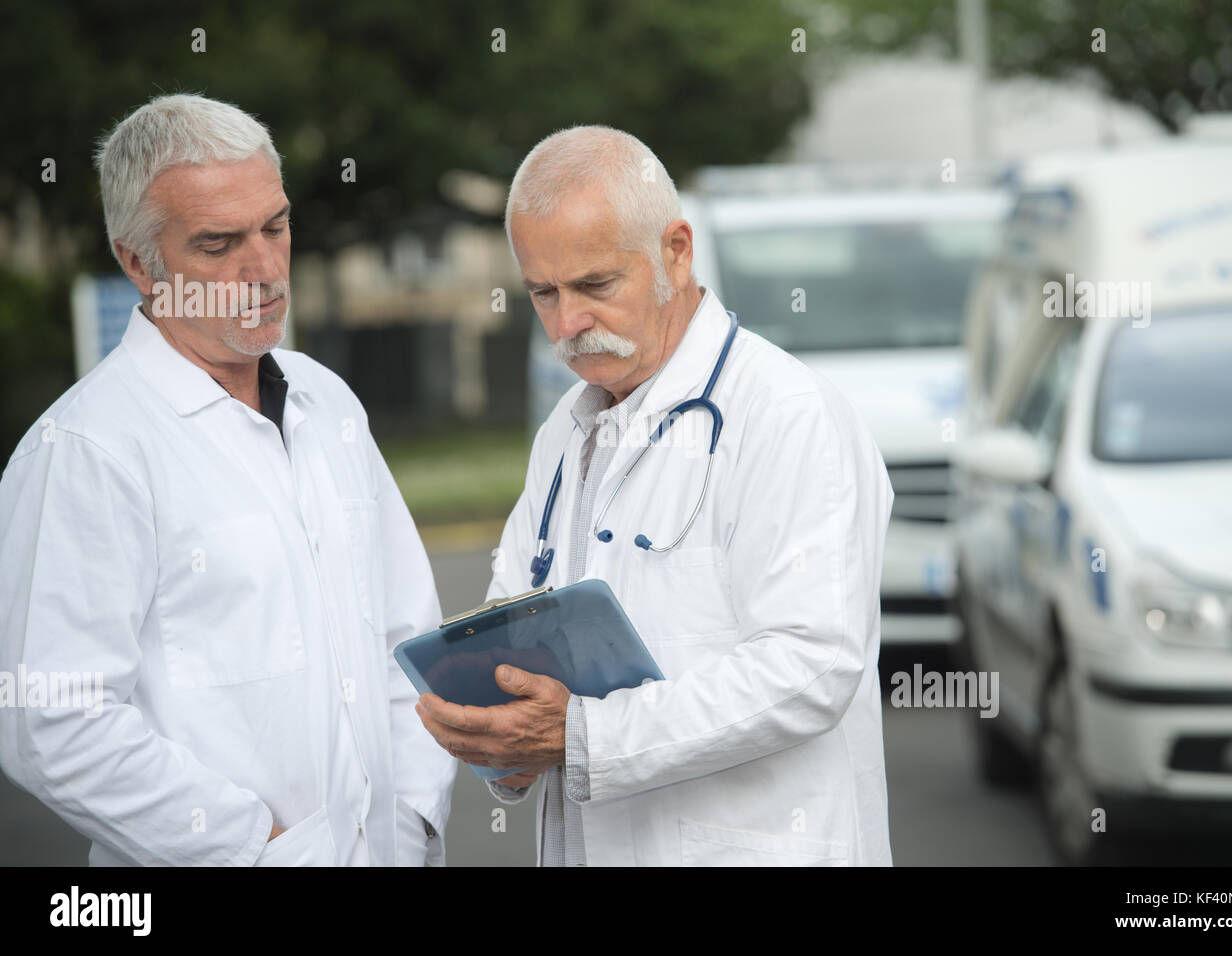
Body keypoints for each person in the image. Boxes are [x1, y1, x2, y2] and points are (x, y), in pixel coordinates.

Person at [415, 126, 894, 866]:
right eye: (543, 293)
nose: (568, 324)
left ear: (676, 250)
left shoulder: (787, 415)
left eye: (596, 286)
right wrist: (501, 737)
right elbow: (510, 620)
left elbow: (812, 667)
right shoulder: (565, 431)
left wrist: (583, 737)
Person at [0, 94, 456, 866]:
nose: (265, 268)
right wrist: (259, 850)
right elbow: (52, 720)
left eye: (275, 226)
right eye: (219, 244)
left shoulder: (327, 399)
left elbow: (407, 641)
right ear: (137, 262)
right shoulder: (85, 450)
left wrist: (411, 824)